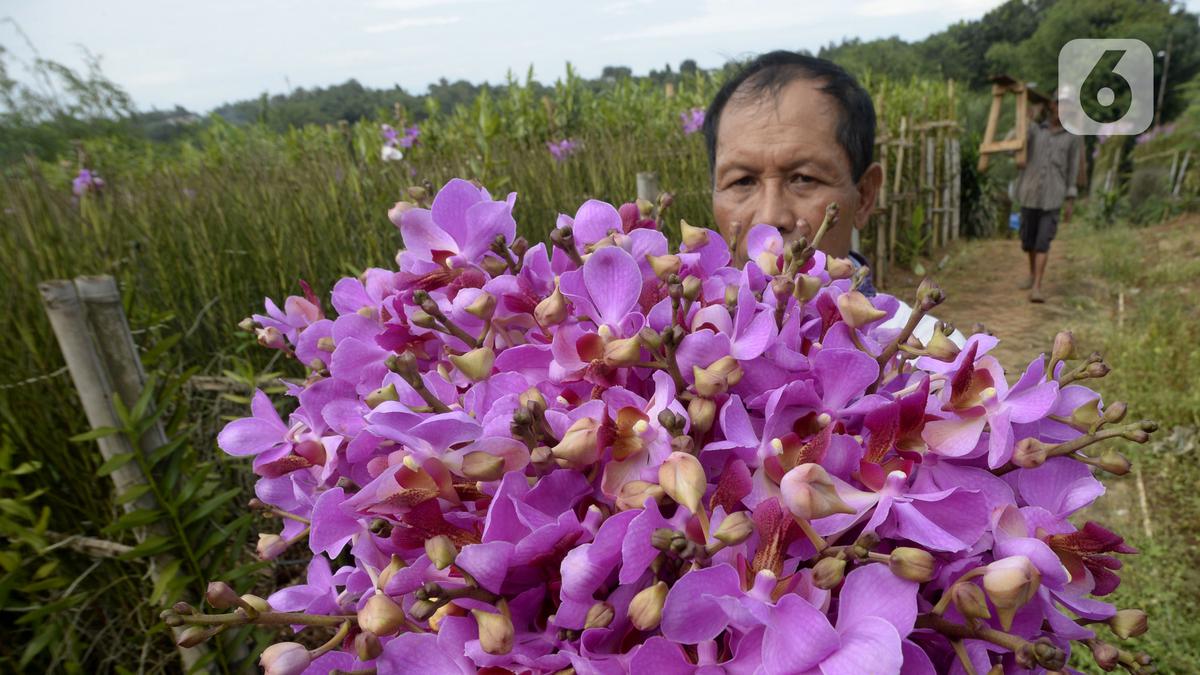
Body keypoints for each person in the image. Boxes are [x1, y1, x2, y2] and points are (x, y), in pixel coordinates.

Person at [702, 50, 961, 345]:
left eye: (804, 178)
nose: (770, 217)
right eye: (742, 181)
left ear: (864, 196)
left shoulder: (923, 363)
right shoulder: (683, 347)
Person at [1009, 95, 1083, 303]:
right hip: (1029, 194)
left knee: (1043, 242)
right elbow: (1012, 144)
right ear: (1052, 106)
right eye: (1060, 103)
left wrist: (1070, 200)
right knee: (1028, 241)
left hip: (1053, 197)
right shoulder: (1034, 129)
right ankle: (1032, 275)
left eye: (1068, 105)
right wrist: (1026, 119)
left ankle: (1038, 286)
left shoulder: (1072, 138)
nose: (1063, 109)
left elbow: (1072, 169)